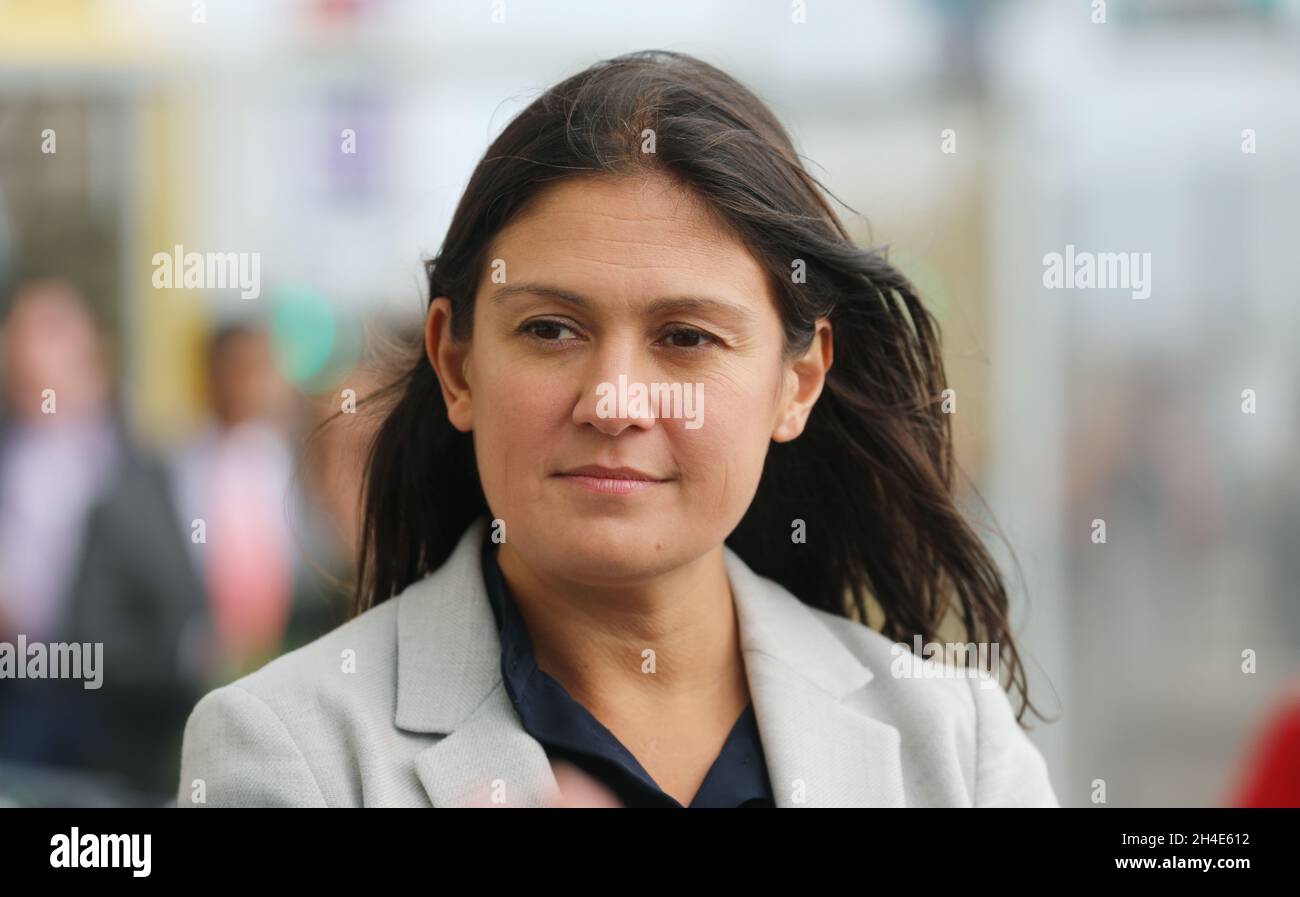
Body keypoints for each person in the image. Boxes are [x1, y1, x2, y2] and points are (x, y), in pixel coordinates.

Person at [178, 50, 1059, 808]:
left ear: (797, 382)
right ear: (456, 364)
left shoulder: (954, 748)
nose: (614, 401)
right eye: (551, 329)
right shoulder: (289, 749)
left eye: (686, 338)